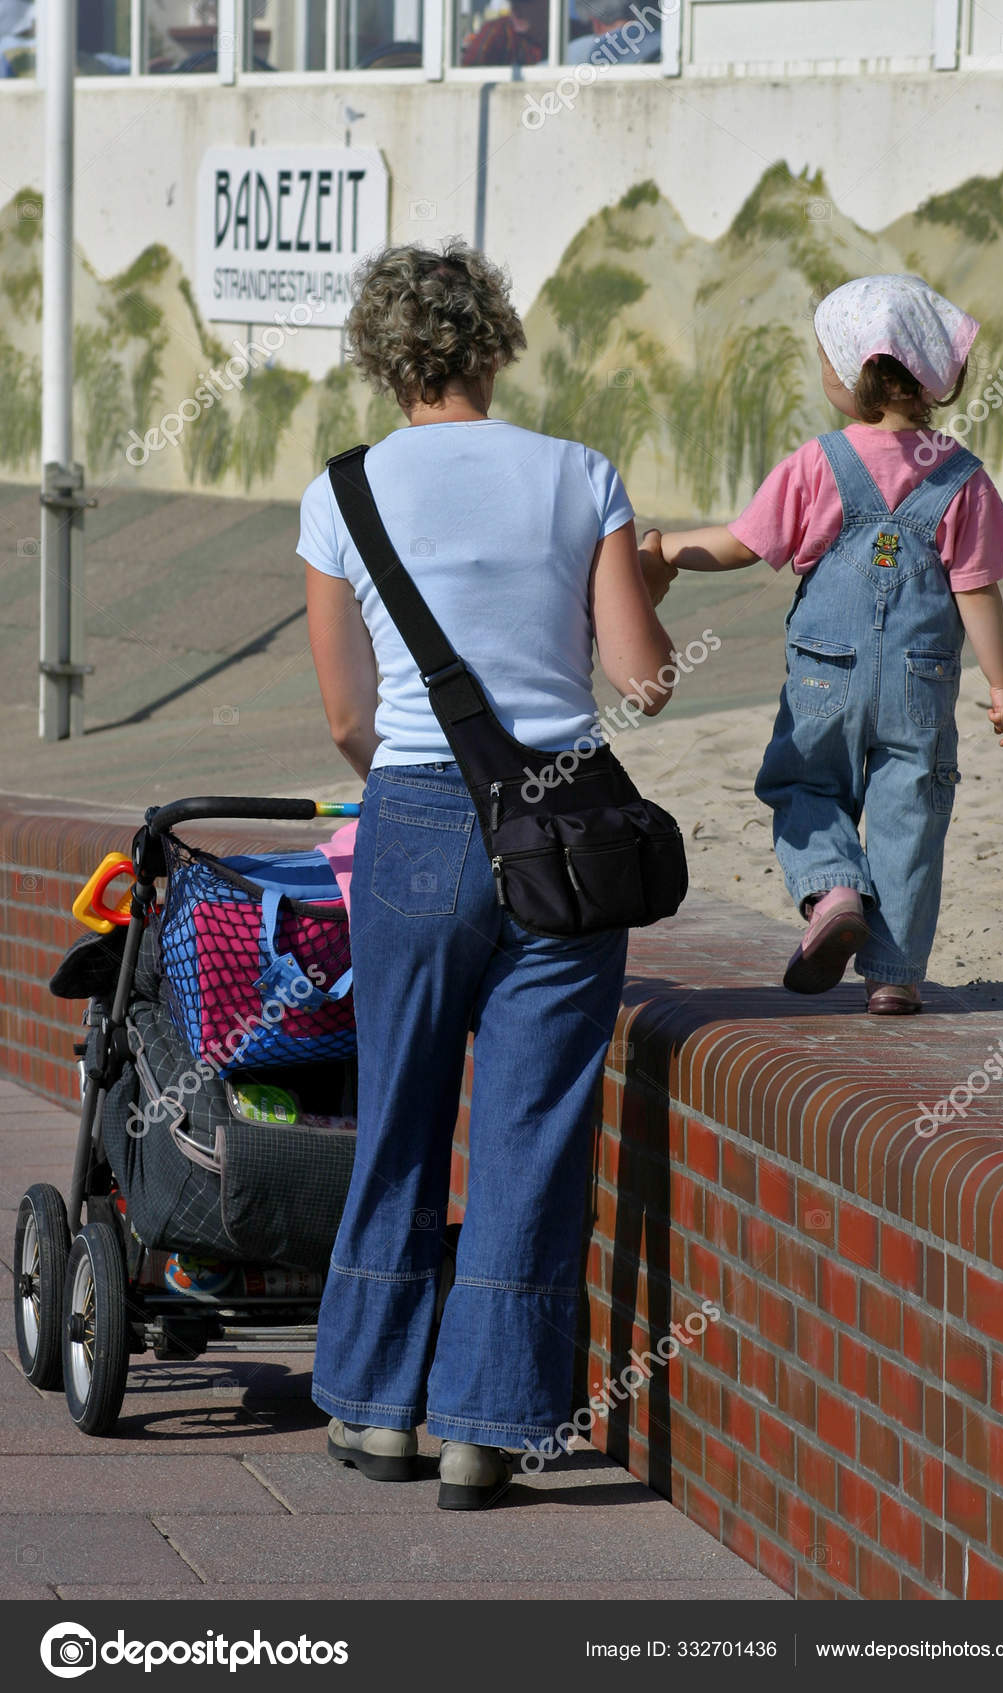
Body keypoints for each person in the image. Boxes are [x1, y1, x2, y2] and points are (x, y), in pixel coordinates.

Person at [299, 240, 675, 1509]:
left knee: (397, 1108)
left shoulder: (338, 493)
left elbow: (347, 719)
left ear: (382, 356)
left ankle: (373, 1406)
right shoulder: (580, 474)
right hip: (562, 827)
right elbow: (642, 685)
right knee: (532, 1128)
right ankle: (486, 1425)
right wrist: (645, 587)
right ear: (496, 342)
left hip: (409, 815)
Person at [645, 274, 1003, 1015]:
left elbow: (738, 545)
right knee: (909, 809)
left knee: (803, 784)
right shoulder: (962, 479)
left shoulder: (818, 462)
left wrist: (665, 552)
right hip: (920, 683)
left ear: (858, 375)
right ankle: (892, 974)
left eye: (825, 361)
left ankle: (831, 890)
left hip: (825, 674)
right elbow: (977, 588)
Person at [460, 0, 548, 66]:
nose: (517, 8)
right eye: (514, 2)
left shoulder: (556, 37)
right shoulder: (496, 31)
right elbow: (468, 76)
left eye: (527, 2)